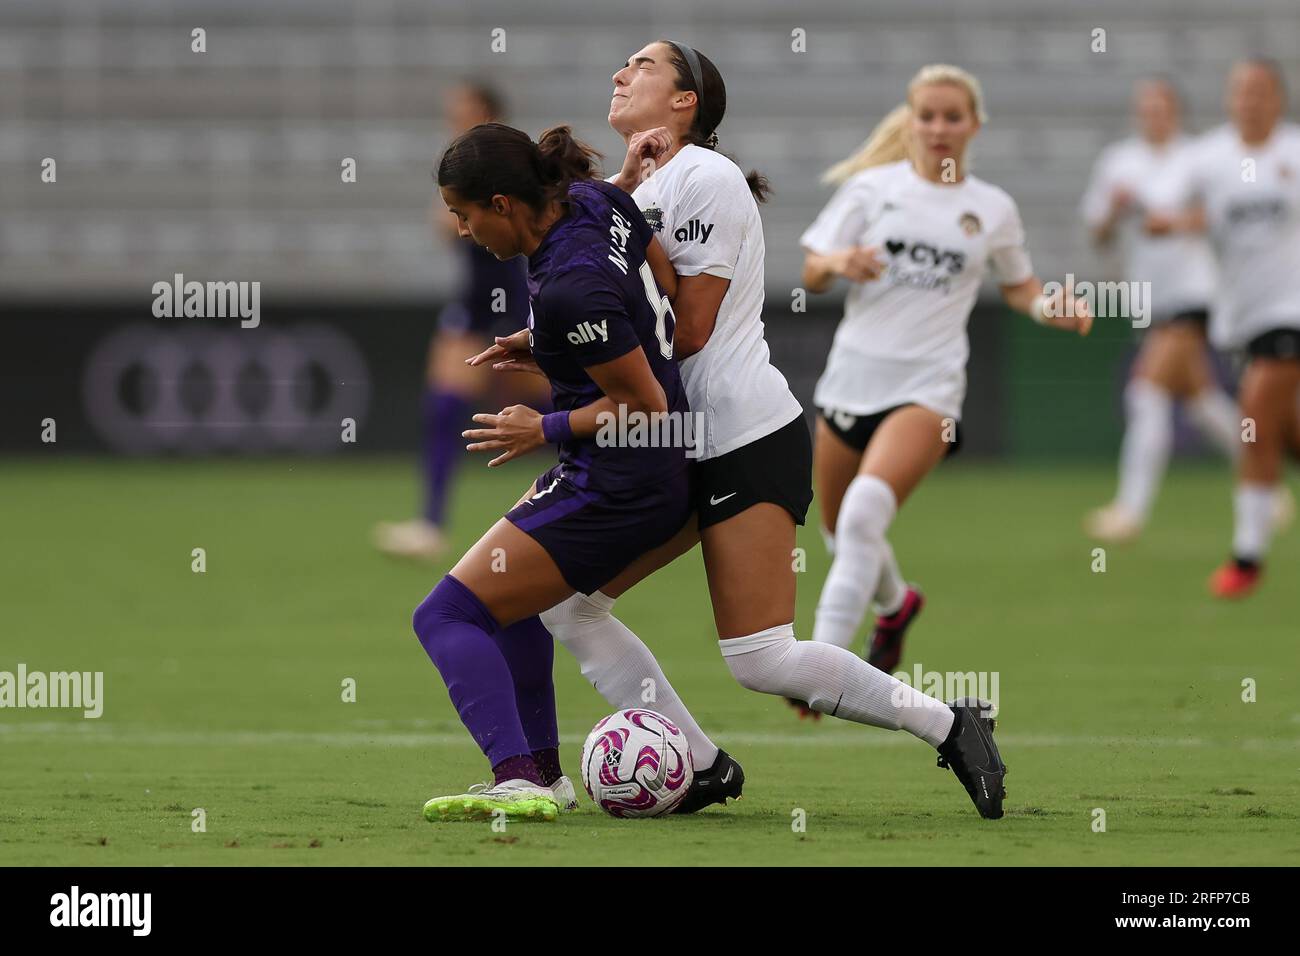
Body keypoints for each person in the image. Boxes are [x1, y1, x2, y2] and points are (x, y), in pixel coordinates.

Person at [478, 44, 1010, 819]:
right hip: (669, 442)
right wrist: (547, 341)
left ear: (686, 101)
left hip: (740, 434)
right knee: (566, 603)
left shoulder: (706, 177)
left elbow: (686, 328)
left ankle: (949, 723)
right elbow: (622, 311)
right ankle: (697, 766)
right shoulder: (637, 186)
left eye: (641, 65)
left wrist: (572, 360)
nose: (621, 73)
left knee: (761, 658)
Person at [415, 122, 692, 821]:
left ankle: (520, 777)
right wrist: (545, 345)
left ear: (503, 204)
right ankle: (541, 777)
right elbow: (656, 280)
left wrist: (541, 425)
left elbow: (646, 402)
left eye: (464, 213)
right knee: (505, 601)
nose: (461, 227)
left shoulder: (572, 284)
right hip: (634, 471)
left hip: (621, 483)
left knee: (444, 614)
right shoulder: (596, 202)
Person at [800, 64, 1092, 675]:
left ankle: (822, 667)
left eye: (952, 116)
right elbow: (812, 272)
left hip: (929, 389)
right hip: (850, 380)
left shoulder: (991, 209)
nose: (938, 128)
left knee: (861, 517)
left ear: (974, 125)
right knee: (838, 533)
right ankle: (897, 603)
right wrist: (838, 263)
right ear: (910, 122)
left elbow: (1019, 287)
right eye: (926, 115)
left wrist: (1050, 306)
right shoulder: (872, 189)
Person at [1081, 77, 1261, 543]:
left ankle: (1129, 512)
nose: (1154, 115)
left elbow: (1224, 214)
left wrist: (1177, 222)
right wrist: (1116, 213)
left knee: (1145, 392)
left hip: (1195, 292)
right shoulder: (1119, 162)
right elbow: (1098, 236)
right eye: (1147, 108)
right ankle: (1267, 482)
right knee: (1201, 402)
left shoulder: (1199, 159)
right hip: (1149, 297)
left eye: (1162, 107)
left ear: (1176, 111)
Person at [374, 81, 546, 560]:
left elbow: (452, 226)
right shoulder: (468, 165)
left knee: (559, 400)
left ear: (487, 113)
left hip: (502, 300)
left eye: (463, 109)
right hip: (473, 299)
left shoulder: (500, 167)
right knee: (446, 406)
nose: (452, 116)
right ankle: (430, 523)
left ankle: (644, 451)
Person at [1188, 60, 1300, 598]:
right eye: (1242, 92)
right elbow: (1178, 209)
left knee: (1254, 417)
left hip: (1292, 312)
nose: (1251, 100)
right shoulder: (1208, 158)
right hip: (1242, 320)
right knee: (1281, 430)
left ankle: (1246, 560)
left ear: (1278, 99)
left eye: (1261, 91)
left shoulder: (1295, 151)